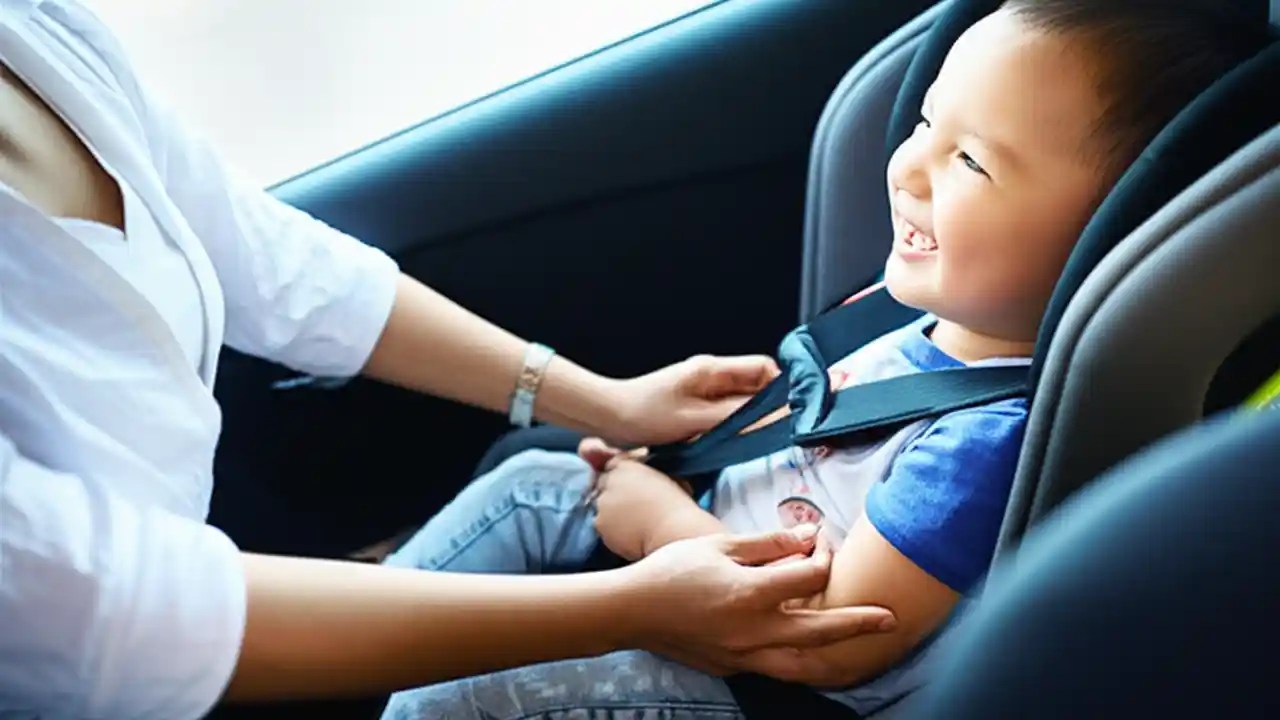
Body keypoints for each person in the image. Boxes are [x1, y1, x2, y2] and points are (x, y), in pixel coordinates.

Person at [0, 2, 902, 718]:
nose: (906, 166)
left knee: (531, 463)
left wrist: (606, 404)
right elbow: (105, 608)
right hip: (117, 662)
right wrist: (641, 593)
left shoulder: (38, 30)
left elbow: (269, 263)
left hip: (176, 610)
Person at [375, 1, 1269, 718]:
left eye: (969, 161)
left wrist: (653, 521)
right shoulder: (910, 312)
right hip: (709, 556)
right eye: (923, 123)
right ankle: (353, 645)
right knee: (532, 479)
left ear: (1106, 236)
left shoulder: (982, 446)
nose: (909, 167)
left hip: (759, 686)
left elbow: (821, 637)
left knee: (465, 697)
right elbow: (819, 426)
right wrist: (702, 448)